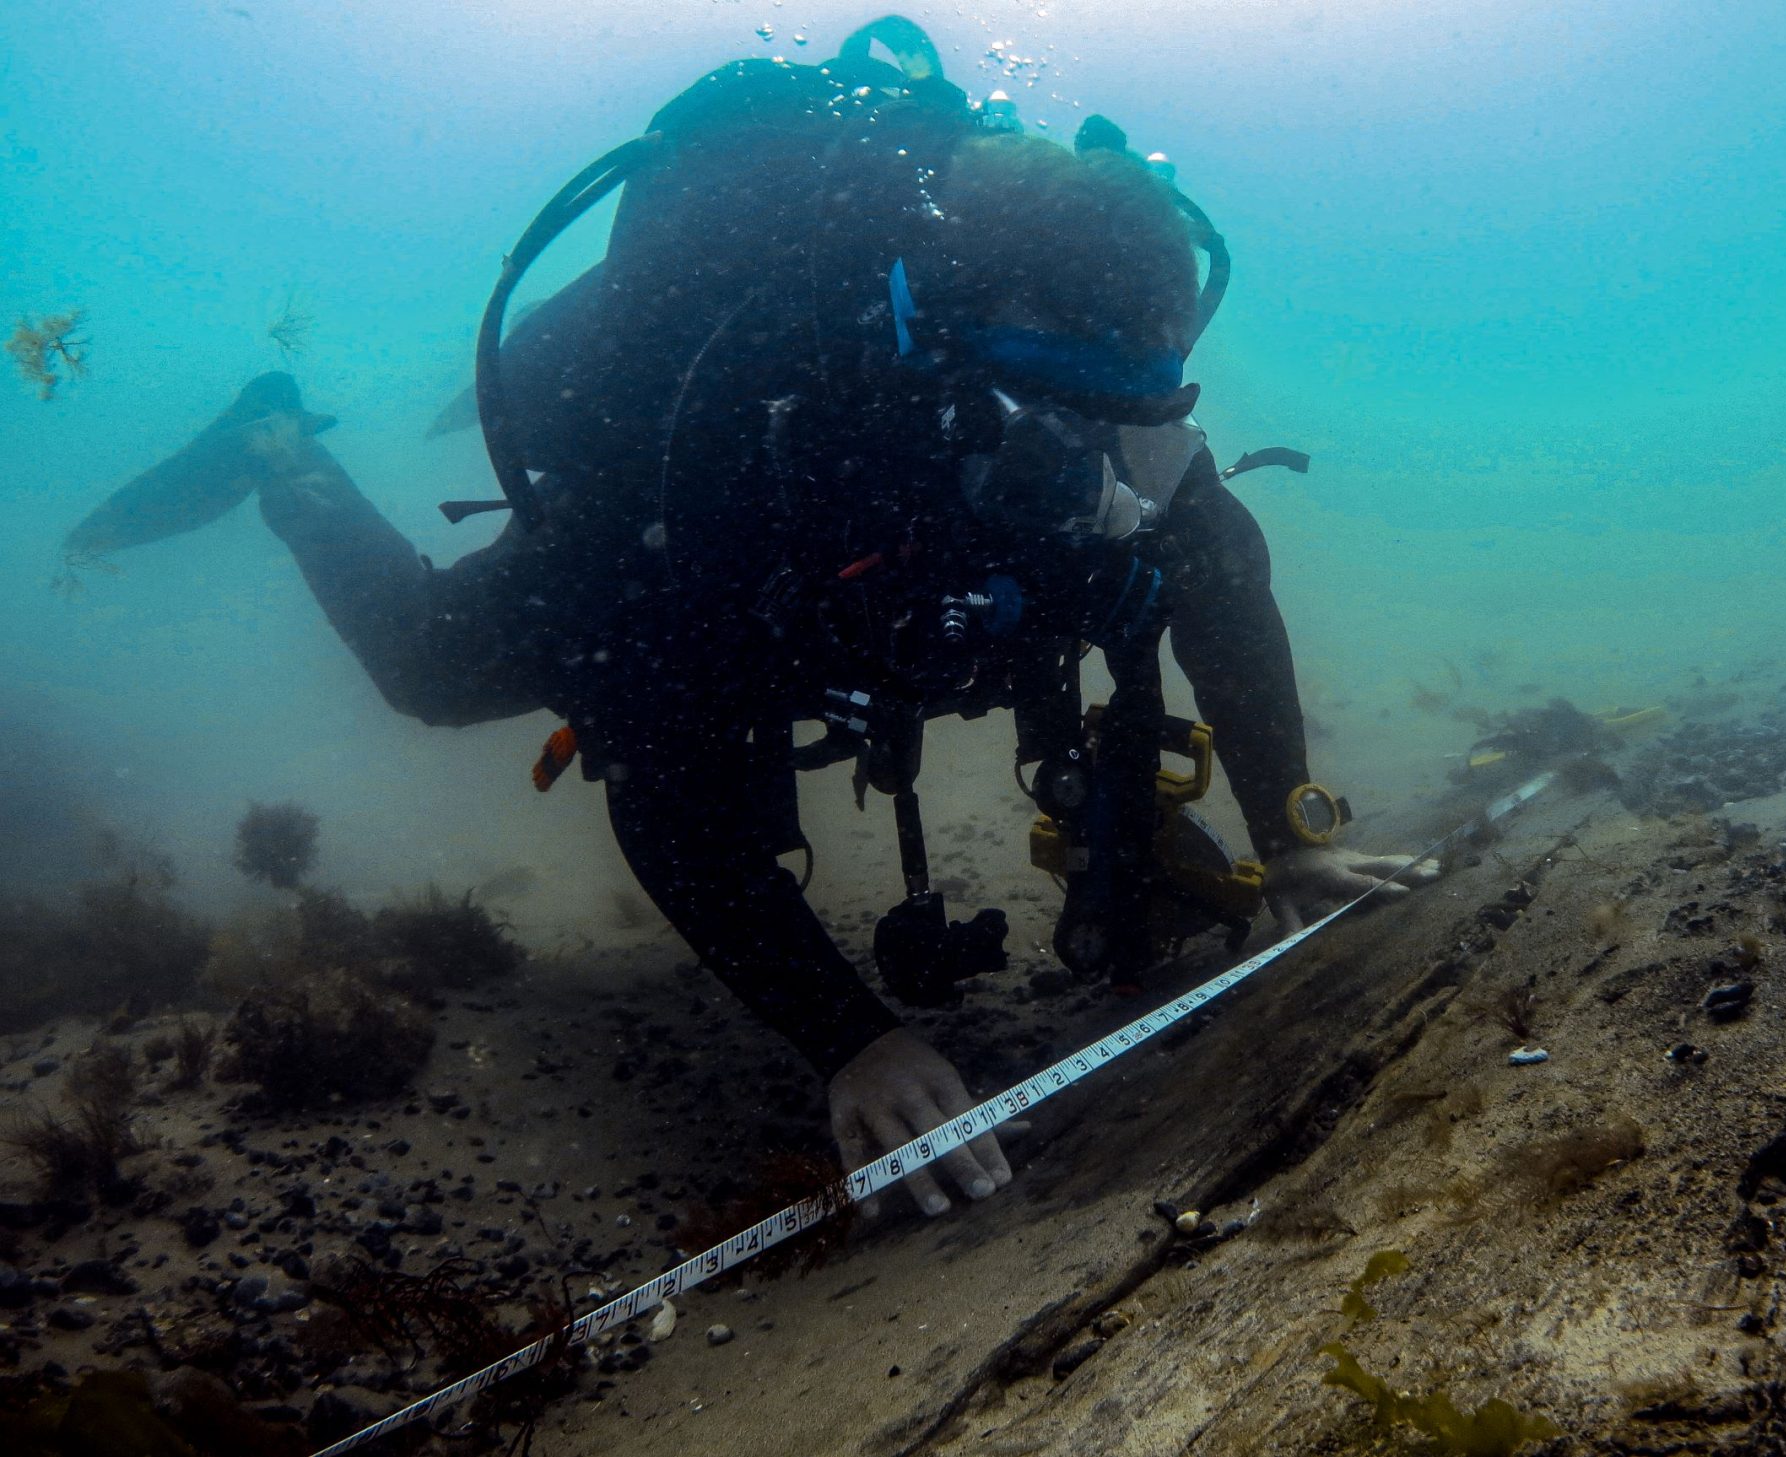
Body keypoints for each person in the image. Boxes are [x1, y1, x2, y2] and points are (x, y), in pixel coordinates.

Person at [73, 21, 1432, 1218]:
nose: (1116, 487)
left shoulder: (1112, 433)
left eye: (1148, 422)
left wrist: (1289, 826)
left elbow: (1226, 579)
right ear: (944, 368)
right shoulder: (748, 439)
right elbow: (667, 783)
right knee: (430, 665)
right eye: (1063, 431)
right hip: (650, 496)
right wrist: (848, 1035)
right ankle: (278, 451)